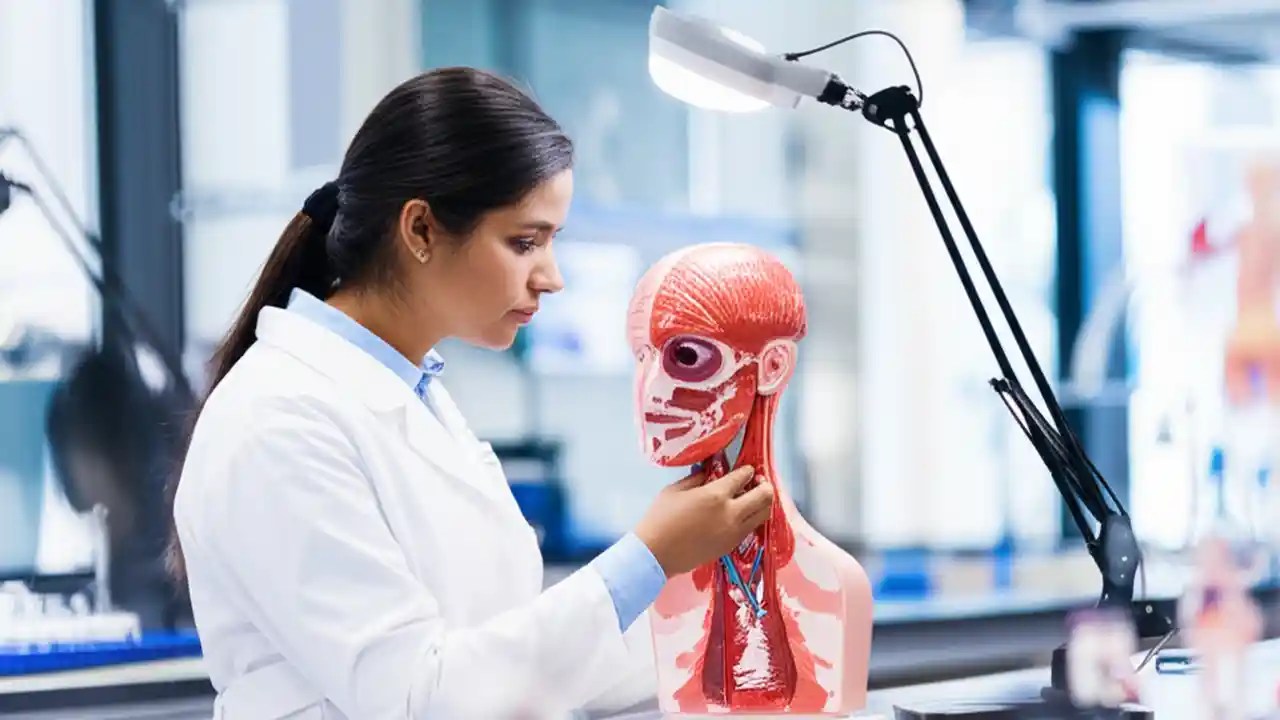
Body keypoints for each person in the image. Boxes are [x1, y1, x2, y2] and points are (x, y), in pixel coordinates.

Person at [168, 67, 775, 719]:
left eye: (551, 241)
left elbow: (514, 666)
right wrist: (647, 559)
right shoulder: (278, 419)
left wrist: (728, 630)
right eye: (525, 242)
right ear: (422, 230)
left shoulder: (414, 396)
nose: (552, 278)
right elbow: (416, 698)